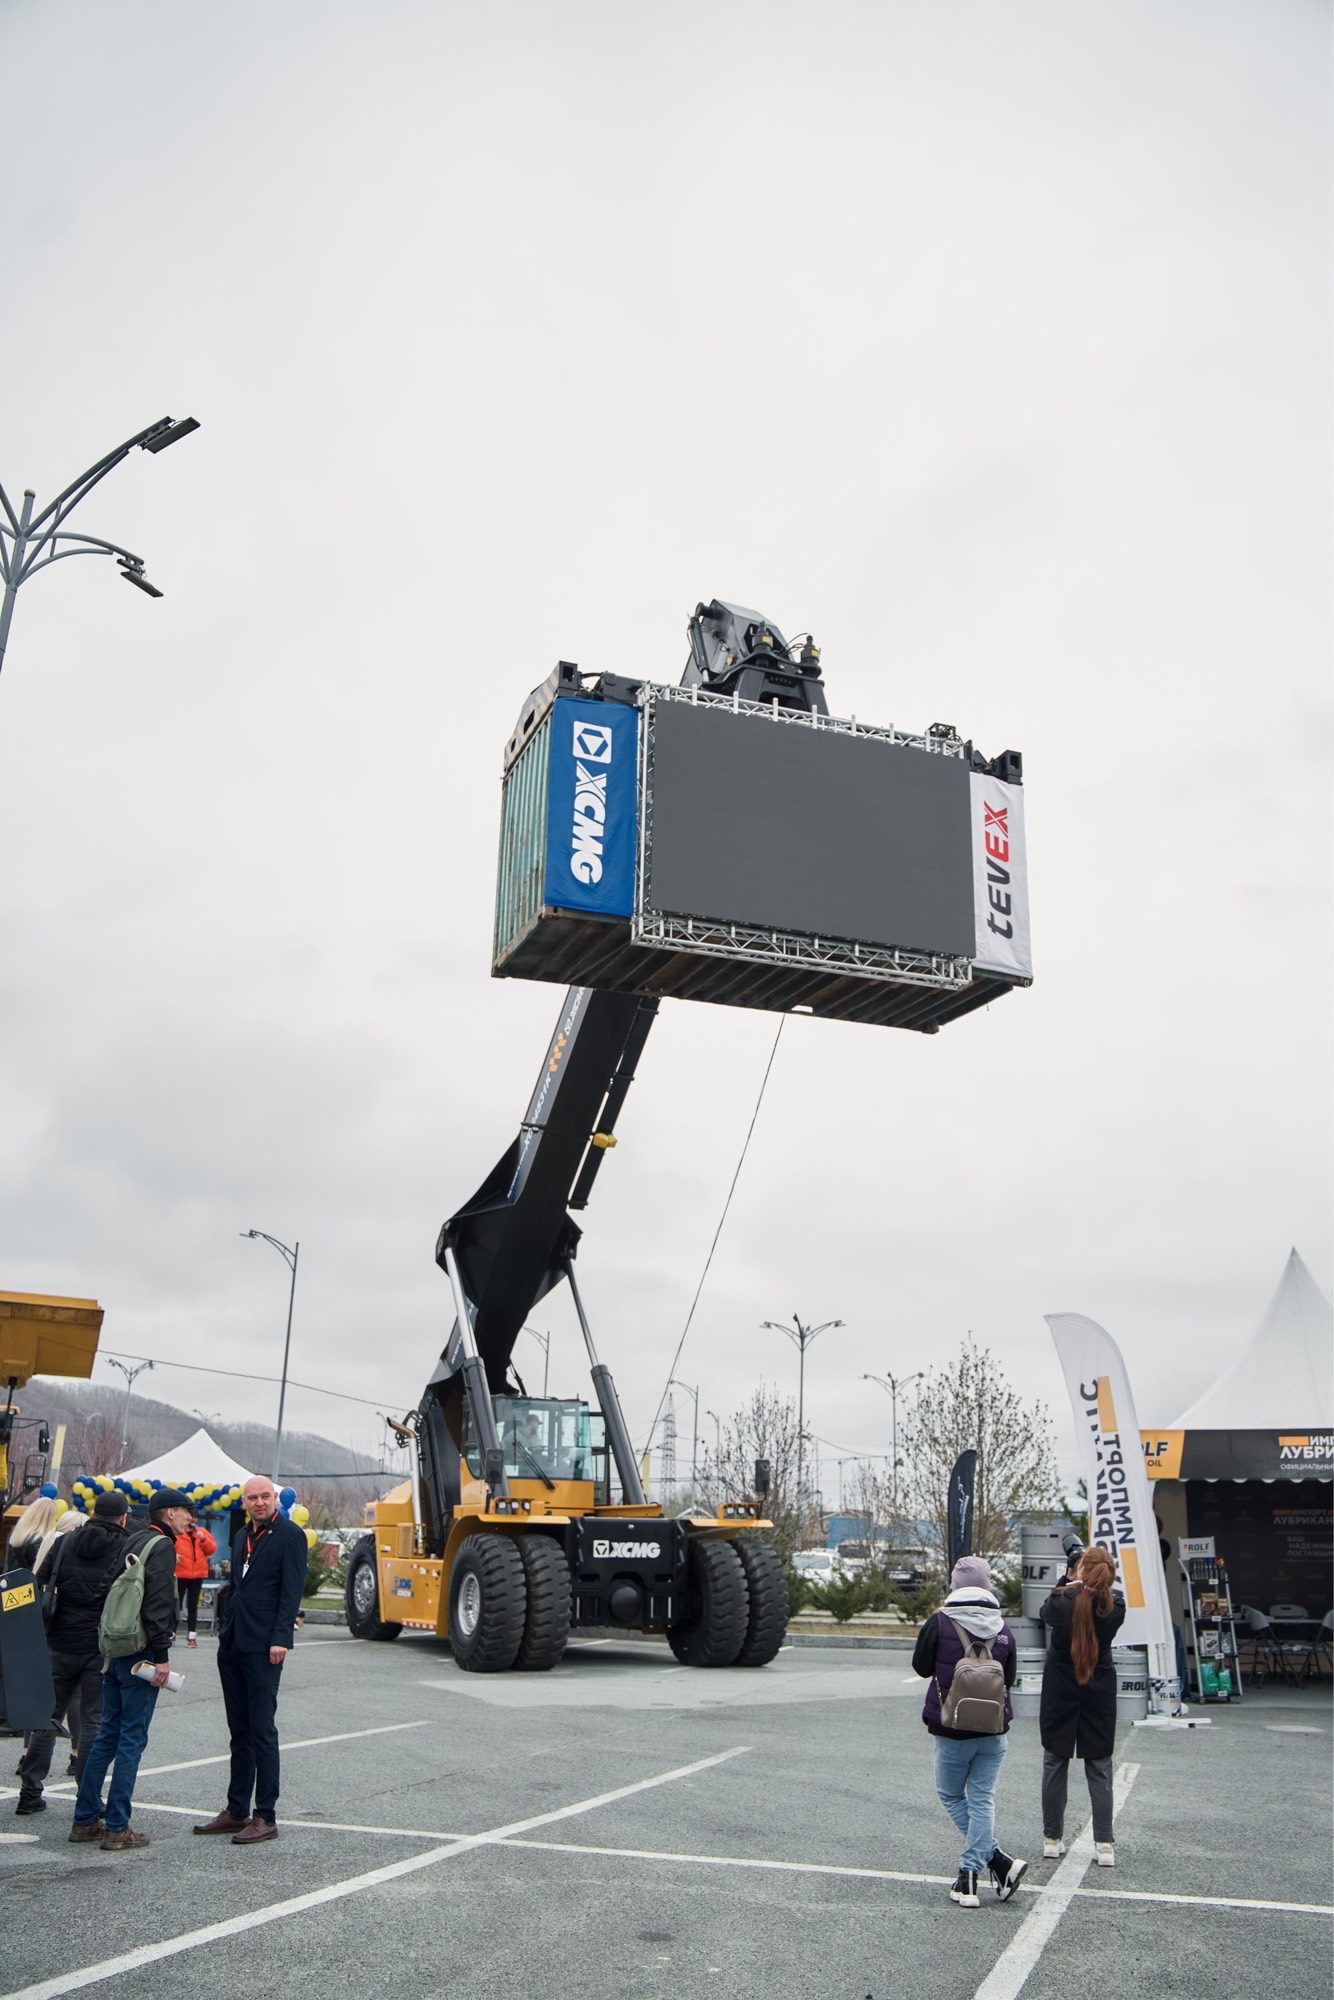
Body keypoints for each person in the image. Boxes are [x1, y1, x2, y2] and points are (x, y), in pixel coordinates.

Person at [69, 1487, 191, 1852]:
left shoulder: (131, 1538)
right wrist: (162, 1656)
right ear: (169, 1514)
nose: (191, 1519)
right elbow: (157, 1605)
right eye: (187, 1512)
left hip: (116, 1650)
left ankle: (85, 1819)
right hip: (142, 1653)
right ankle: (118, 1827)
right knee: (132, 1740)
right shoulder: (163, 1547)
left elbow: (105, 1589)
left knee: (107, 1735)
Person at [193, 1475, 307, 1845]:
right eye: (252, 1498)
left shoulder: (290, 1536)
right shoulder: (242, 1536)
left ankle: (266, 1815)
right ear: (244, 1502)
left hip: (264, 1646)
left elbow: (291, 1591)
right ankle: (236, 1808)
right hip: (233, 1643)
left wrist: (281, 1639)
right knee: (238, 1732)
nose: (259, 1503)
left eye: (265, 1496)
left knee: (262, 1731)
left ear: (275, 1498)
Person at [913, 1555, 1027, 1908]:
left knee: (950, 1795)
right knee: (982, 1800)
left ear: (955, 1586)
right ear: (988, 1585)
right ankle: (998, 1863)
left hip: (951, 1729)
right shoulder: (1003, 1628)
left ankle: (970, 1876)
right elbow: (1008, 1680)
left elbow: (920, 1668)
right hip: (993, 1732)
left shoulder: (939, 1623)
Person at [1039, 1542, 1126, 1866]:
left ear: (1080, 1570)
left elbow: (1045, 1613)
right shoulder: (1116, 1606)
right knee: (1100, 1765)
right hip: (1098, 1687)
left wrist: (1066, 1581)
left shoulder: (1061, 1601)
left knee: (1055, 1760)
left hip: (1060, 1686)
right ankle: (1104, 1844)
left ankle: (1052, 1838)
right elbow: (1099, 1599)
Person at [14, 1507, 101, 1810]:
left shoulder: (60, 1545)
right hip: (93, 1644)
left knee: (47, 1718)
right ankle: (87, 1797)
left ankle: (30, 1792)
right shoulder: (113, 1547)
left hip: (58, 1640)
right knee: (91, 1722)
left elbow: (37, 1582)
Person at [174, 1506, 217, 1648]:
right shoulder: (178, 1533)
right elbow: (168, 1546)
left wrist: (203, 1539)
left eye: (194, 1517)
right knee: (176, 1605)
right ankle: (171, 1633)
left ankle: (191, 1635)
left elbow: (211, 1550)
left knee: (193, 1606)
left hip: (197, 1575)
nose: (192, 1519)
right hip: (181, 1574)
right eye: (189, 1516)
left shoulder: (202, 1532)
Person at [5, 1494, 60, 1572]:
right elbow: (41, 1571)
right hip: (28, 1582)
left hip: (14, 1581)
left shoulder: (17, 1534)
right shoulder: (36, 1540)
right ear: (47, 1518)